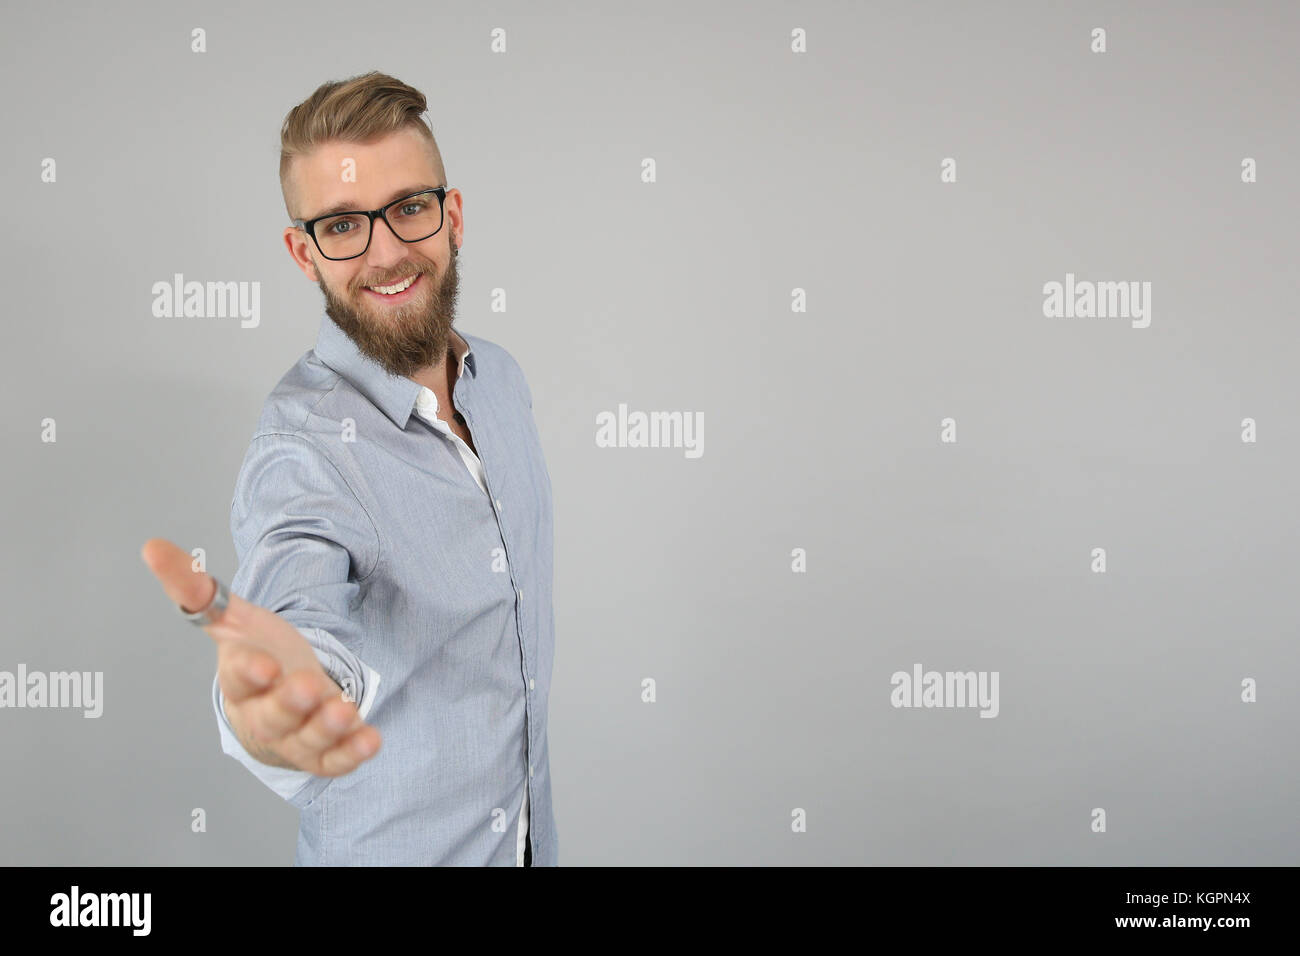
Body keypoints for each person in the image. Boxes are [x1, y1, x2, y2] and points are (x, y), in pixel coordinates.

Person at [140, 71, 556, 866]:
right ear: (304, 253)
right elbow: (297, 624)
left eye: (408, 207)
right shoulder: (303, 449)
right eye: (341, 226)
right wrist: (276, 710)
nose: (387, 251)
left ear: (452, 215)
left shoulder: (500, 383)